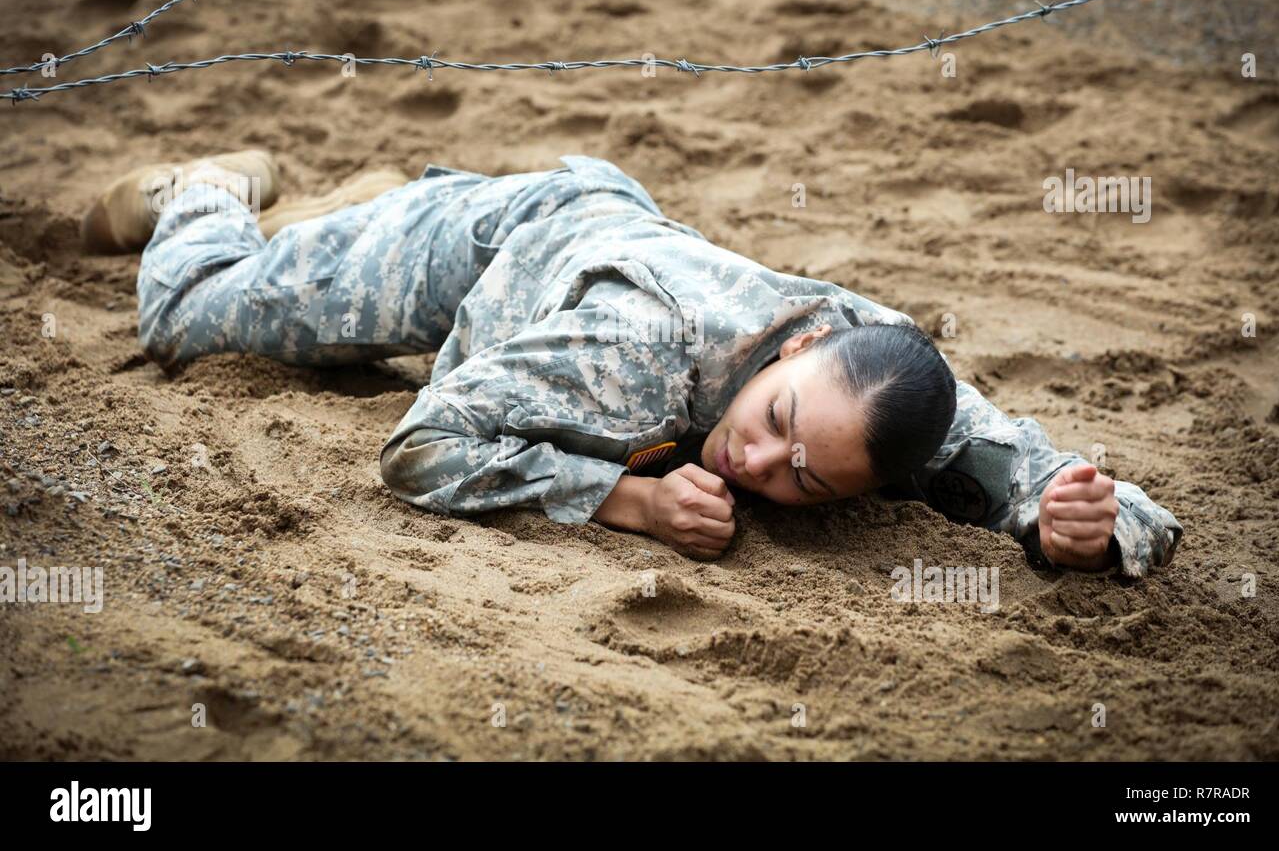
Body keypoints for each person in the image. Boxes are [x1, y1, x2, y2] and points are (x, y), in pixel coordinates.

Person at [84, 149, 1182, 575]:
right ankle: (206, 190)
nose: (760, 461)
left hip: (607, 247)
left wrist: (1069, 526)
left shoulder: (876, 379)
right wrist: (621, 499)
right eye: (774, 422)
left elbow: (1094, 497)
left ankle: (327, 207)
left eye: (806, 478)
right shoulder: (632, 357)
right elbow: (421, 443)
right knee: (187, 318)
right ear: (798, 348)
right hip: (491, 243)